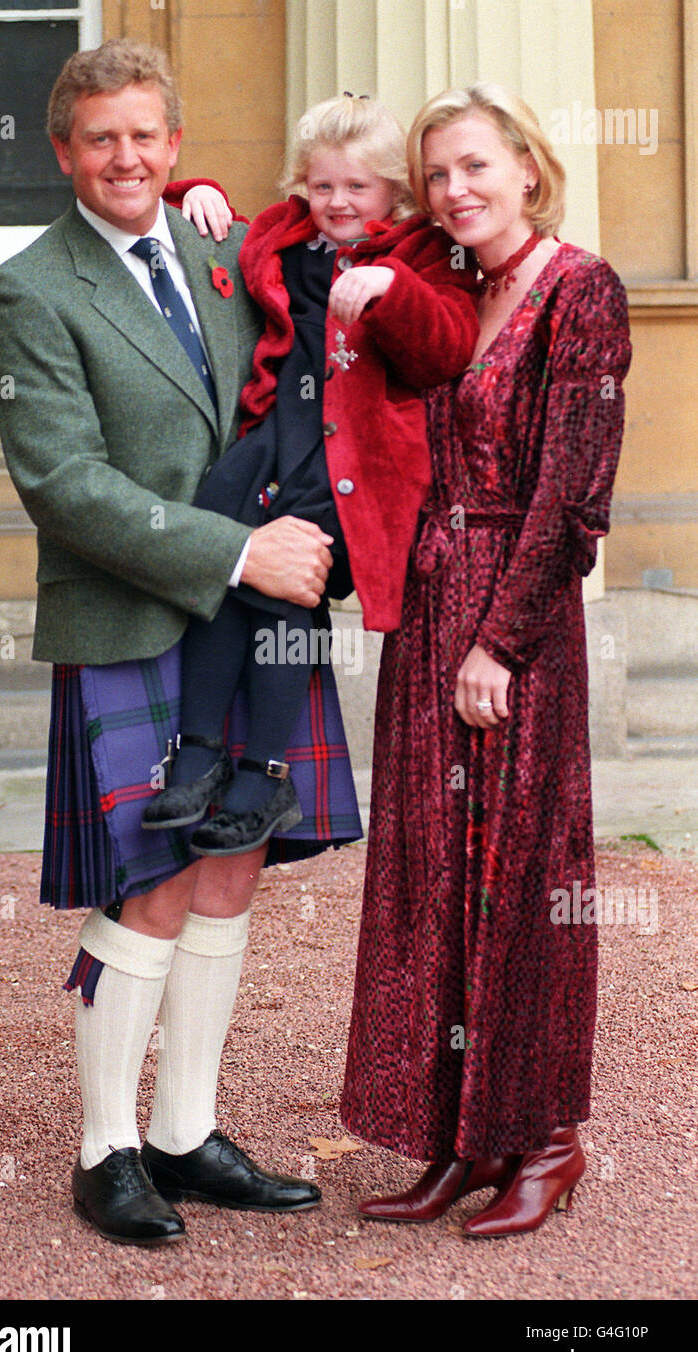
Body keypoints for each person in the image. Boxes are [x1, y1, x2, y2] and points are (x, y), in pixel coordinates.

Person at [0, 38, 360, 1247]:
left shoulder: (218, 246)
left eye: (146, 135)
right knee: (149, 875)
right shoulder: (28, 287)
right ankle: (106, 1151)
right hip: (138, 608)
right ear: (63, 153)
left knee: (232, 860)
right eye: (101, 139)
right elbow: (61, 482)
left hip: (259, 624)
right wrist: (238, 552)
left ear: (176, 144)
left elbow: (336, 258)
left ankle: (185, 1132)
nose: (126, 156)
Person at [340, 82, 632, 1237]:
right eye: (436, 177)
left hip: (514, 620)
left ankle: (545, 1141)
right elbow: (313, 229)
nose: (452, 192)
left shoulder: (581, 289)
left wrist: (497, 645)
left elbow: (571, 493)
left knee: (519, 879)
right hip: (424, 601)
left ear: (523, 163)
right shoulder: (448, 289)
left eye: (472, 167)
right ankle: (456, 1140)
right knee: (428, 880)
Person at [140, 95, 478, 856]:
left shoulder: (424, 254)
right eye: (322, 187)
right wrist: (196, 194)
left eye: (357, 188)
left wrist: (395, 294)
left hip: (356, 465)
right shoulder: (287, 232)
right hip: (274, 439)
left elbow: (446, 346)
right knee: (225, 552)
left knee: (284, 575)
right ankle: (199, 754)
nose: (337, 204)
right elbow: (188, 205)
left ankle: (261, 771)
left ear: (394, 191)